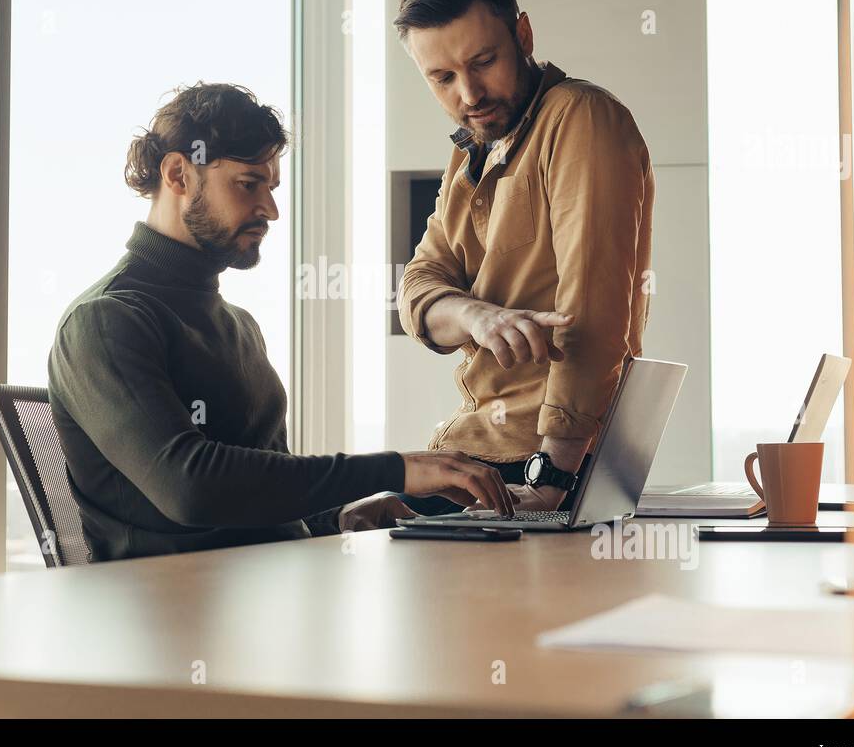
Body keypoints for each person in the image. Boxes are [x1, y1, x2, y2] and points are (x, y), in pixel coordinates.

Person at [48, 82, 516, 561]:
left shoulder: (239, 325)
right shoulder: (106, 320)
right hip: (174, 611)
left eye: (270, 188)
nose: (270, 210)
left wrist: (335, 517)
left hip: (269, 584)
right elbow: (191, 488)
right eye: (249, 184)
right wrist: (395, 468)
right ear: (178, 174)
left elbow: (257, 488)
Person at [394, 0, 655, 513]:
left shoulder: (580, 117)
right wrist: (474, 316)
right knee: (346, 521)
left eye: (483, 61)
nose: (468, 95)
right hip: (475, 454)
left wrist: (552, 475)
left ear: (524, 34)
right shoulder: (470, 152)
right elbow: (417, 290)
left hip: (540, 465)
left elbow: (594, 306)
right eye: (442, 78)